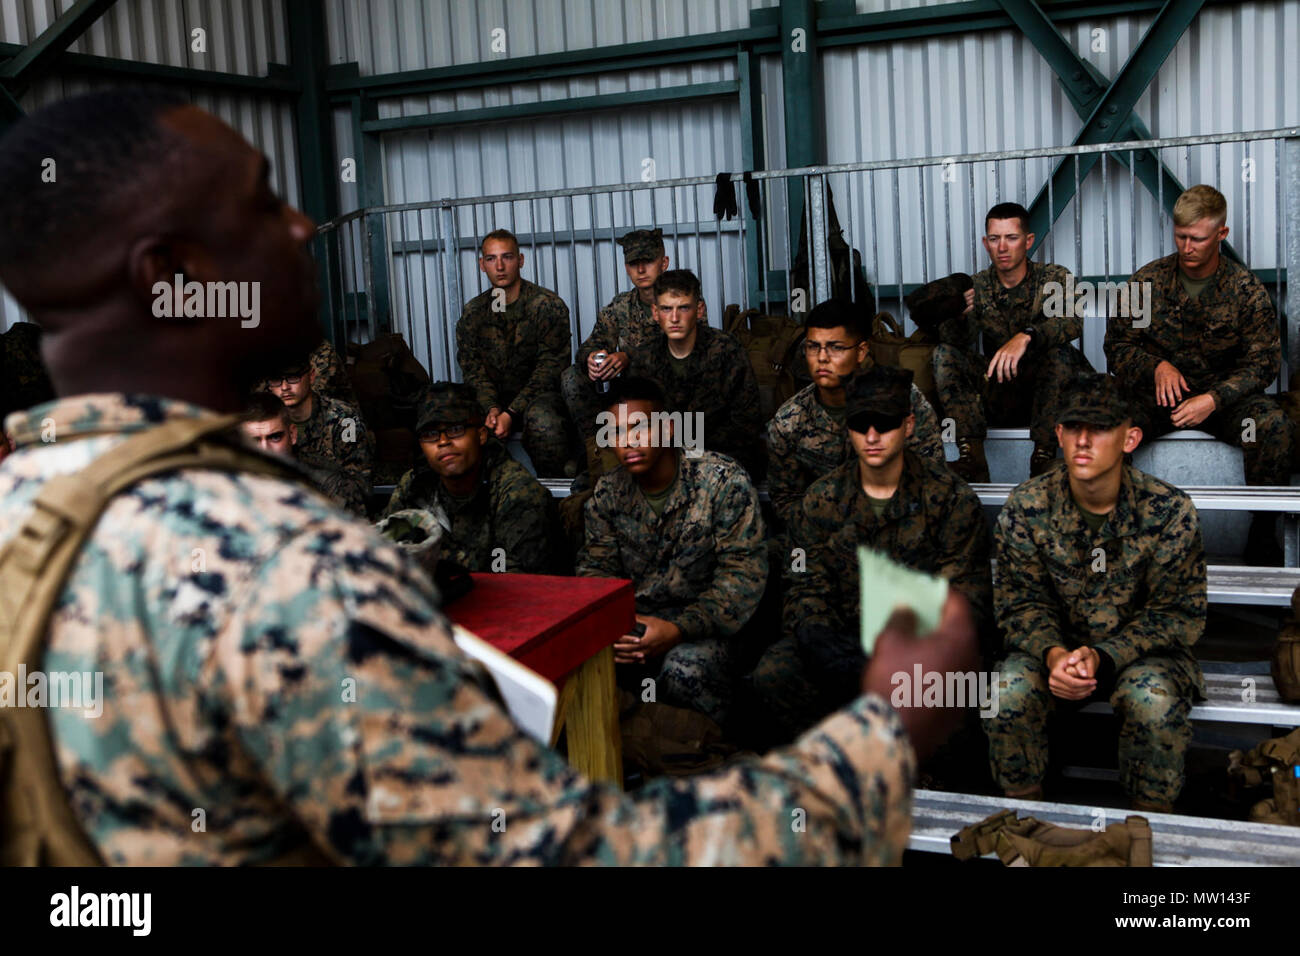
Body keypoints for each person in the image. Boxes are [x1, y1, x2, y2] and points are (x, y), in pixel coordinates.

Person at [0, 89, 981, 866]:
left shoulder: (26, 512)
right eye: (262, 200)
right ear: (173, 270)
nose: (302, 226)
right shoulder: (275, 564)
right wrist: (884, 738)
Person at [985, 373, 1206, 812]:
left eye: (1100, 428)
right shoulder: (1026, 506)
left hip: (1140, 656)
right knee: (1006, 691)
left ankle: (1149, 827)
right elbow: (1019, 604)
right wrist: (1051, 654)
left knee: (1154, 702)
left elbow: (1176, 615)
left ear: (1130, 438)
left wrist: (1105, 657)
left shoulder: (1168, 510)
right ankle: (1024, 819)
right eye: (1073, 428)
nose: (1083, 441)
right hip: (1055, 652)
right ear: (1059, 434)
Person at [749, 365, 991, 743]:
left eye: (885, 423)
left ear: (908, 425)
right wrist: (820, 638)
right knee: (776, 672)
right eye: (861, 424)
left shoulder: (949, 499)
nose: (872, 436)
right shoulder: (821, 499)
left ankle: (928, 774)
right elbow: (803, 583)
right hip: (844, 641)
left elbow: (966, 595)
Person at [1105, 184, 1291, 565]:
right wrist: (1155, 365)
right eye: (1180, 237)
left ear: (1221, 234)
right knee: (1110, 422)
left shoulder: (1245, 291)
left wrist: (1215, 398)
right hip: (1158, 402)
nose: (1187, 247)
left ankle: (1262, 536)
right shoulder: (1147, 283)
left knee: (1271, 426)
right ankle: (1117, 537)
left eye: (1197, 238)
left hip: (1224, 406)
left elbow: (1264, 363)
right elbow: (1117, 346)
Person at [578, 377, 767, 727]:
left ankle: (706, 760)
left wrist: (677, 628)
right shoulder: (608, 493)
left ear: (667, 429)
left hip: (711, 630)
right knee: (578, 662)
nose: (628, 442)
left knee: (685, 670)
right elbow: (595, 572)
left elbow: (741, 580)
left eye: (639, 428)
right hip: (635, 628)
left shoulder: (721, 480)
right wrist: (616, 630)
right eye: (616, 432)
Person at [933, 201, 1093, 482]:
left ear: (1028, 241)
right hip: (1001, 391)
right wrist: (956, 315)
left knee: (1061, 354)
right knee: (944, 354)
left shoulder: (1053, 277)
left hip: (1047, 393)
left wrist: (1027, 336)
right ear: (986, 243)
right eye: (995, 239)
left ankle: (1043, 456)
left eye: (1011, 238)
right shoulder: (977, 286)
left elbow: (1071, 322)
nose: (1002, 247)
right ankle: (972, 457)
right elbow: (959, 341)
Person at [766, 298, 946, 530]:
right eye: (813, 347)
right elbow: (786, 501)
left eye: (835, 347)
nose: (822, 357)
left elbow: (932, 478)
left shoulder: (903, 400)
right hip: (827, 540)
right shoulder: (789, 420)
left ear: (861, 351)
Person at [381, 382, 559, 574]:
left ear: (481, 434)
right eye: (431, 434)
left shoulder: (517, 492)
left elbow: (518, 586)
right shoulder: (415, 485)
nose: (443, 441)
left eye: (455, 429)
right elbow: (381, 557)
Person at [455, 229, 574, 477]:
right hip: (492, 403)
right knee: (450, 422)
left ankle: (553, 491)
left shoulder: (546, 305)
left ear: (520, 260)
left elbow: (550, 369)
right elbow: (473, 369)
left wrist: (511, 412)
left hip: (538, 399)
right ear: (481, 264)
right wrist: (491, 408)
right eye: (491, 259)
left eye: (507, 257)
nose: (499, 266)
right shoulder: (474, 313)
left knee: (544, 422)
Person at [629, 269, 765, 478]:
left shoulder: (726, 351)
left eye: (683, 308)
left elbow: (746, 425)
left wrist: (686, 442)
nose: (674, 318)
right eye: (666, 309)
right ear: (655, 312)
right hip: (664, 460)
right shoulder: (644, 357)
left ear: (699, 310)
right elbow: (636, 424)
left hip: (721, 461)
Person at [561, 228, 670, 482]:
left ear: (664, 263)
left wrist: (627, 358)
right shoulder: (620, 306)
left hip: (665, 393)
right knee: (572, 378)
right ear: (626, 267)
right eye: (634, 263)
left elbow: (683, 353)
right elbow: (587, 348)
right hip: (625, 396)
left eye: (648, 262)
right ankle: (597, 452)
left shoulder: (678, 299)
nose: (641, 270)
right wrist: (594, 358)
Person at [265, 354, 374, 516]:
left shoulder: (344, 419)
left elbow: (360, 486)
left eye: (293, 378)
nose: (285, 387)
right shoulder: (263, 423)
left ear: (311, 376)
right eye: (276, 380)